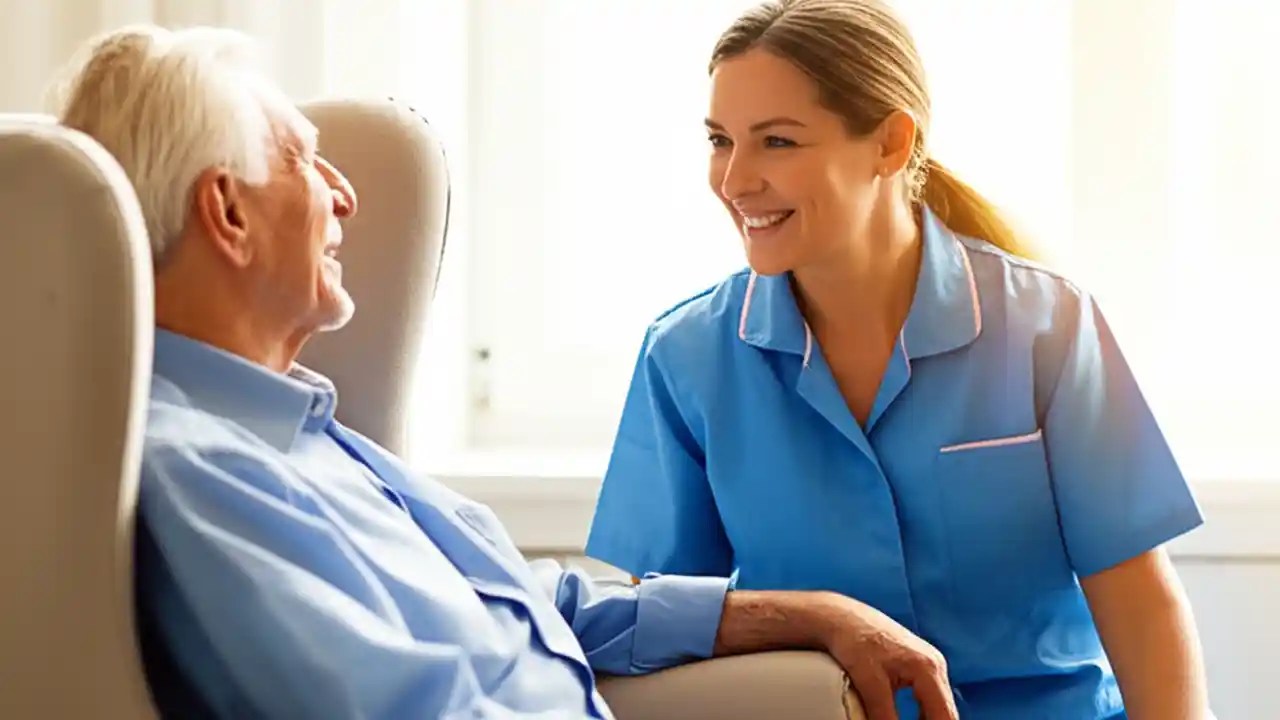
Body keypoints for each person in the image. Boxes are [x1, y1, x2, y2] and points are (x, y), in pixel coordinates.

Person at [48, 23, 965, 720]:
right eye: (304, 160)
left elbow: (540, 604)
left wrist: (816, 613)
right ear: (228, 214)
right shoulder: (198, 468)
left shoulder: (313, 443)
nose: (345, 194)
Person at [584, 1, 1211, 719]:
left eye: (778, 142)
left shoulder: (1047, 326)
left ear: (888, 144)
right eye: (721, 140)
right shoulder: (686, 358)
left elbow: (1140, 604)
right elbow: (665, 627)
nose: (734, 180)